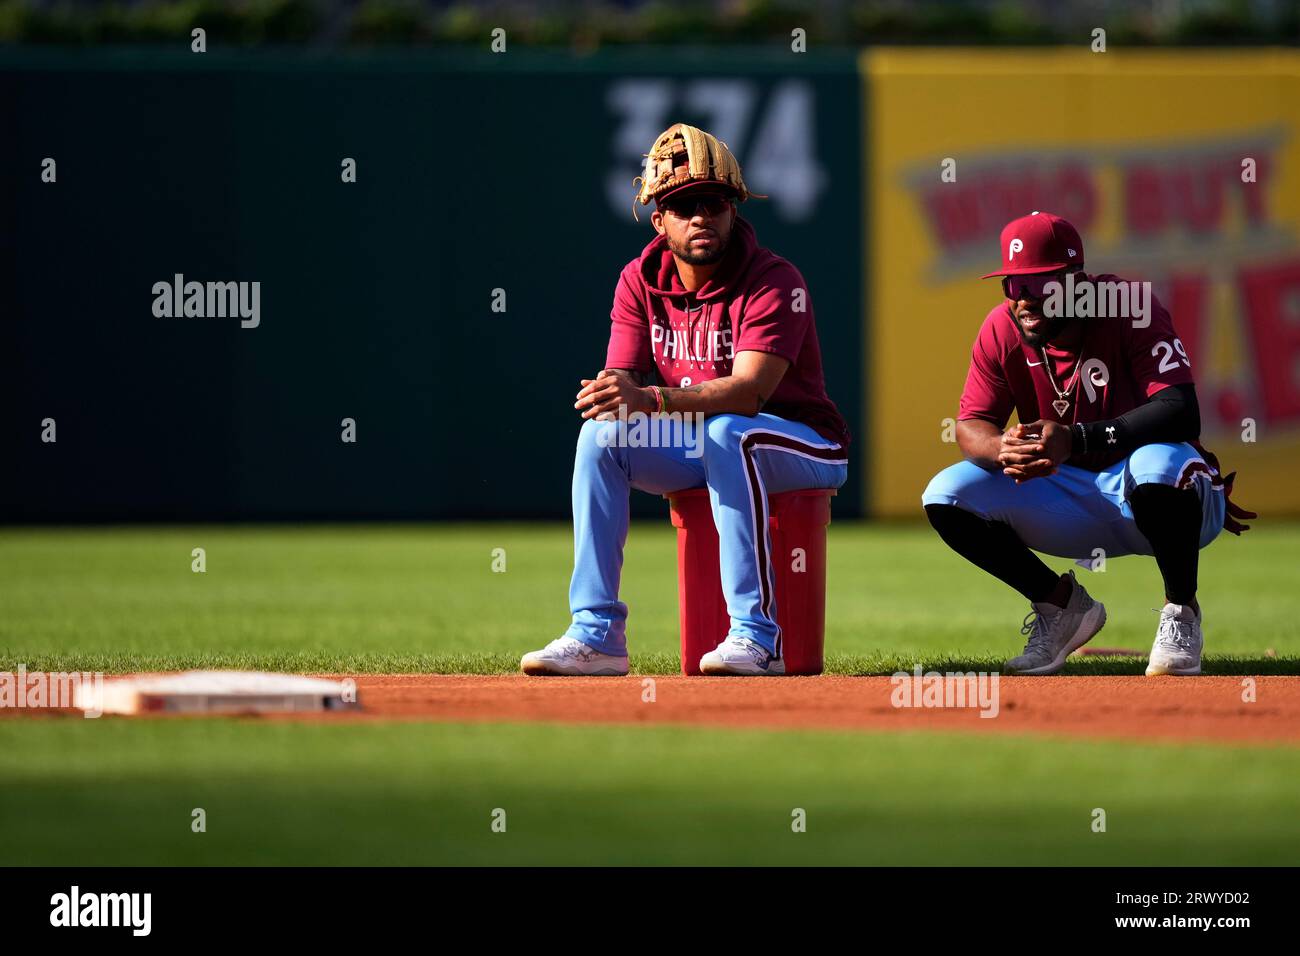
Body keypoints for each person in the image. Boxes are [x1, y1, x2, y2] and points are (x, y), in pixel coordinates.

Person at [521, 123, 850, 676]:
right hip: (711, 441)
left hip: (805, 441)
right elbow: (620, 387)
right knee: (601, 437)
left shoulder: (773, 279)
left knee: (728, 433)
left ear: (733, 211)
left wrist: (647, 398)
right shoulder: (638, 280)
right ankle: (597, 633)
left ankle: (756, 636)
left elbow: (749, 395)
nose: (701, 216)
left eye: (714, 202)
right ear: (659, 220)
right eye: (683, 205)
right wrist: (615, 395)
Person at [922, 211, 1254, 676]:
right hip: (1065, 492)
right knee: (946, 493)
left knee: (1158, 463)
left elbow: (1181, 409)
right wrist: (1002, 449)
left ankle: (1182, 611)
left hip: (1158, 495)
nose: (1023, 300)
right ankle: (1062, 608)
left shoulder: (1129, 305)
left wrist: (1077, 438)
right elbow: (971, 423)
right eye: (1011, 285)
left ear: (1077, 282)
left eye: (1037, 285)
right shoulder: (1001, 329)